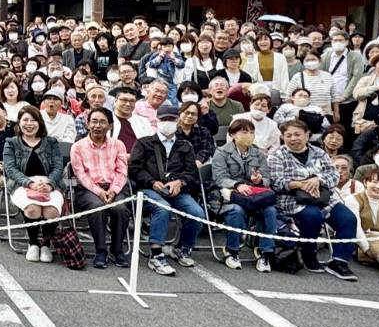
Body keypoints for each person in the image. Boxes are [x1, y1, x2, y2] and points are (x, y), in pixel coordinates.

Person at [267, 119, 359, 280]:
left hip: (321, 197)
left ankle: (339, 262)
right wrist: (300, 184)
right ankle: (309, 254)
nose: (293, 138)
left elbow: (334, 176)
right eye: (288, 135)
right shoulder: (276, 155)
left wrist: (318, 180)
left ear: (307, 135)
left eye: (297, 134)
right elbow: (276, 182)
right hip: (292, 199)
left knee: (348, 218)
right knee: (313, 216)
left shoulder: (319, 152)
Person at [129, 104, 205, 276]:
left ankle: (182, 248)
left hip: (177, 191)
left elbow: (191, 172)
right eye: (164, 119)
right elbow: (135, 169)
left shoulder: (185, 145)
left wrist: (180, 182)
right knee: (161, 208)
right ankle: (156, 254)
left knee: (197, 212)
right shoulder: (144, 143)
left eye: (171, 119)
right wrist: (152, 182)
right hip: (149, 190)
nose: (168, 122)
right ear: (157, 120)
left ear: (177, 120)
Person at [210, 116, 279, 271]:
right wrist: (237, 184)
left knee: (270, 210)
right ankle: (232, 250)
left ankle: (264, 252)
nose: (249, 135)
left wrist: (259, 180)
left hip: (253, 195)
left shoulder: (259, 154)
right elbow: (219, 178)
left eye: (251, 132)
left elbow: (267, 178)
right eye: (244, 131)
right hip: (229, 194)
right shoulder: (221, 152)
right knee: (236, 210)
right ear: (233, 134)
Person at [2, 105, 68, 262]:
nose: (29, 124)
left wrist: (50, 184)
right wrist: (29, 183)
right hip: (22, 184)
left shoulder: (51, 142)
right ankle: (33, 243)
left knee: (51, 211)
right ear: (19, 123)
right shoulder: (11, 142)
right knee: (33, 209)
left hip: (50, 183)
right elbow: (10, 169)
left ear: (40, 123)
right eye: (25, 120)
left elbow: (58, 166)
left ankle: (45, 244)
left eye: (33, 120)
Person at [69, 107, 132, 269]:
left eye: (103, 121)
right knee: (97, 208)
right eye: (94, 121)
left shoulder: (119, 145)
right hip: (88, 189)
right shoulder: (78, 146)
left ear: (110, 125)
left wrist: (113, 190)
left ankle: (117, 249)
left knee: (120, 207)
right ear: (88, 124)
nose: (98, 125)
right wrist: (99, 191)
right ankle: (101, 250)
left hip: (114, 187)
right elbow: (80, 175)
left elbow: (122, 171)